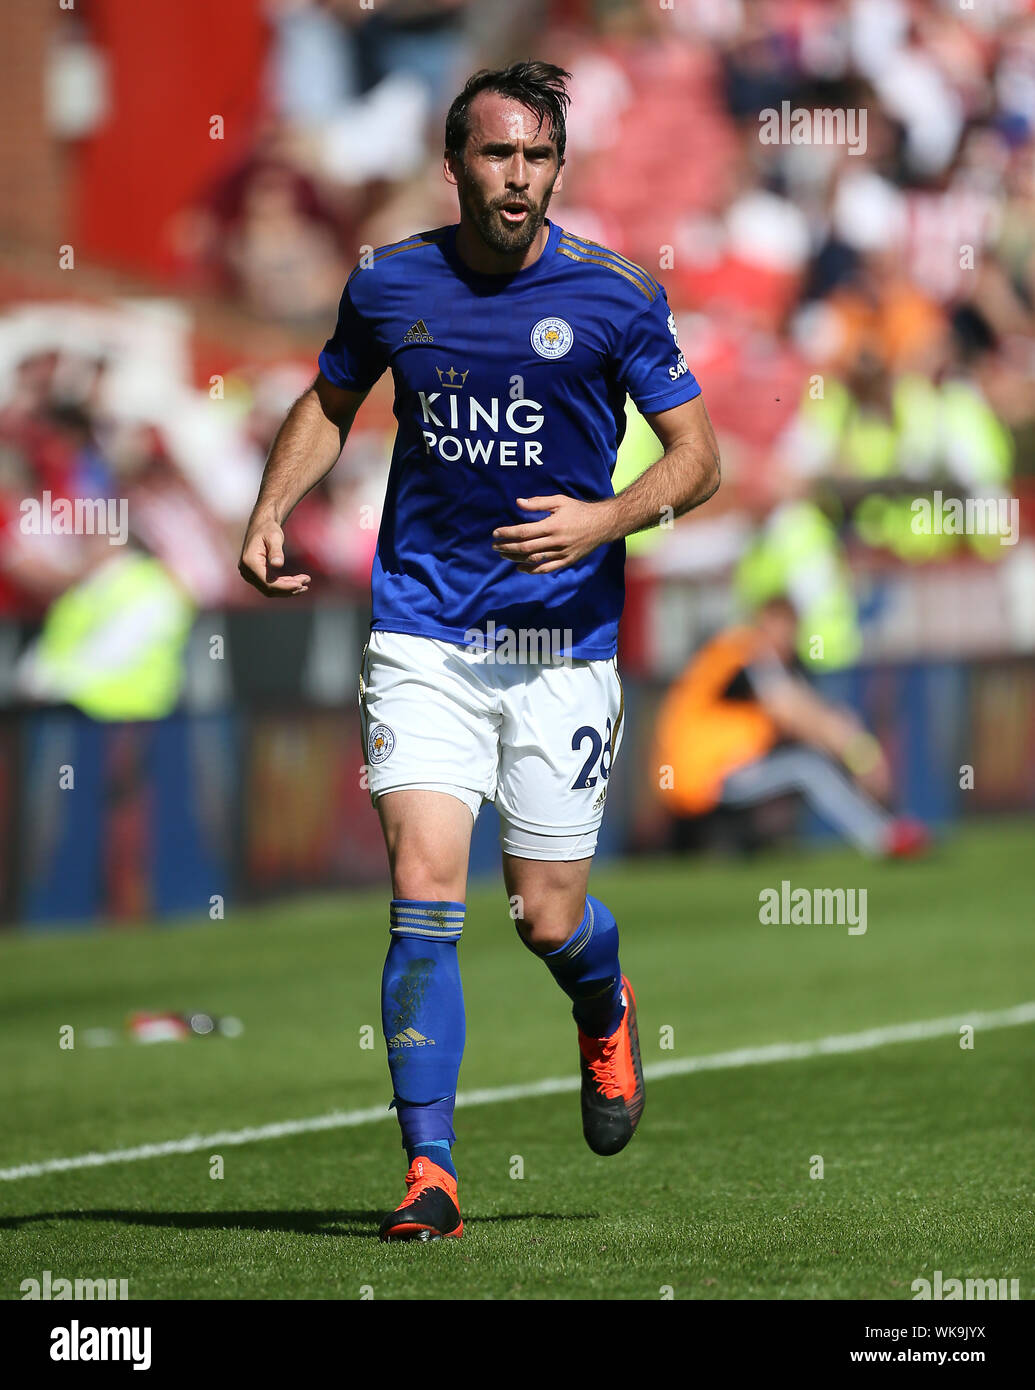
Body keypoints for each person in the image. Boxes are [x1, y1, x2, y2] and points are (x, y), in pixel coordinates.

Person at [239, 61, 720, 1241]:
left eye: (538, 157)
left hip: (561, 646)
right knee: (423, 889)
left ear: (559, 168)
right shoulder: (389, 282)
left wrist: (605, 519)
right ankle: (431, 1171)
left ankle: (602, 1002)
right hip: (426, 634)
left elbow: (699, 458)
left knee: (546, 916)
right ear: (454, 165)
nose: (518, 178)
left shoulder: (614, 296)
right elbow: (331, 400)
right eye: (498, 154)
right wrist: (271, 508)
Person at [653, 596, 930, 858]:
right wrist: (860, 755)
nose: (784, 639)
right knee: (807, 767)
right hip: (702, 777)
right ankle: (883, 838)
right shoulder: (744, 655)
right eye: (777, 629)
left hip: (713, 771)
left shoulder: (760, 658)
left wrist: (847, 742)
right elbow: (794, 712)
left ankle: (886, 825)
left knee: (811, 756)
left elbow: (815, 713)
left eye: (789, 631)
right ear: (762, 625)